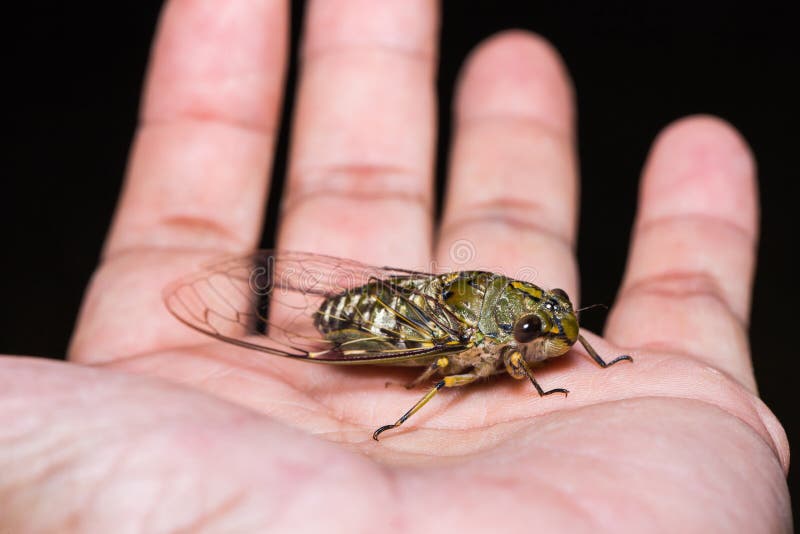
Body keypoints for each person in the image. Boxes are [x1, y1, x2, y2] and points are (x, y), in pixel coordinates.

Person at [1, 1, 789, 530]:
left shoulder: (537, 331)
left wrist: (589, 355)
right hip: (385, 321)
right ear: (507, 336)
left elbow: (557, 332)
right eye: (534, 330)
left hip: (416, 297)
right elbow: (452, 371)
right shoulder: (484, 349)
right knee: (417, 359)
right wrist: (407, 419)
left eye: (551, 320)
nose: (552, 335)